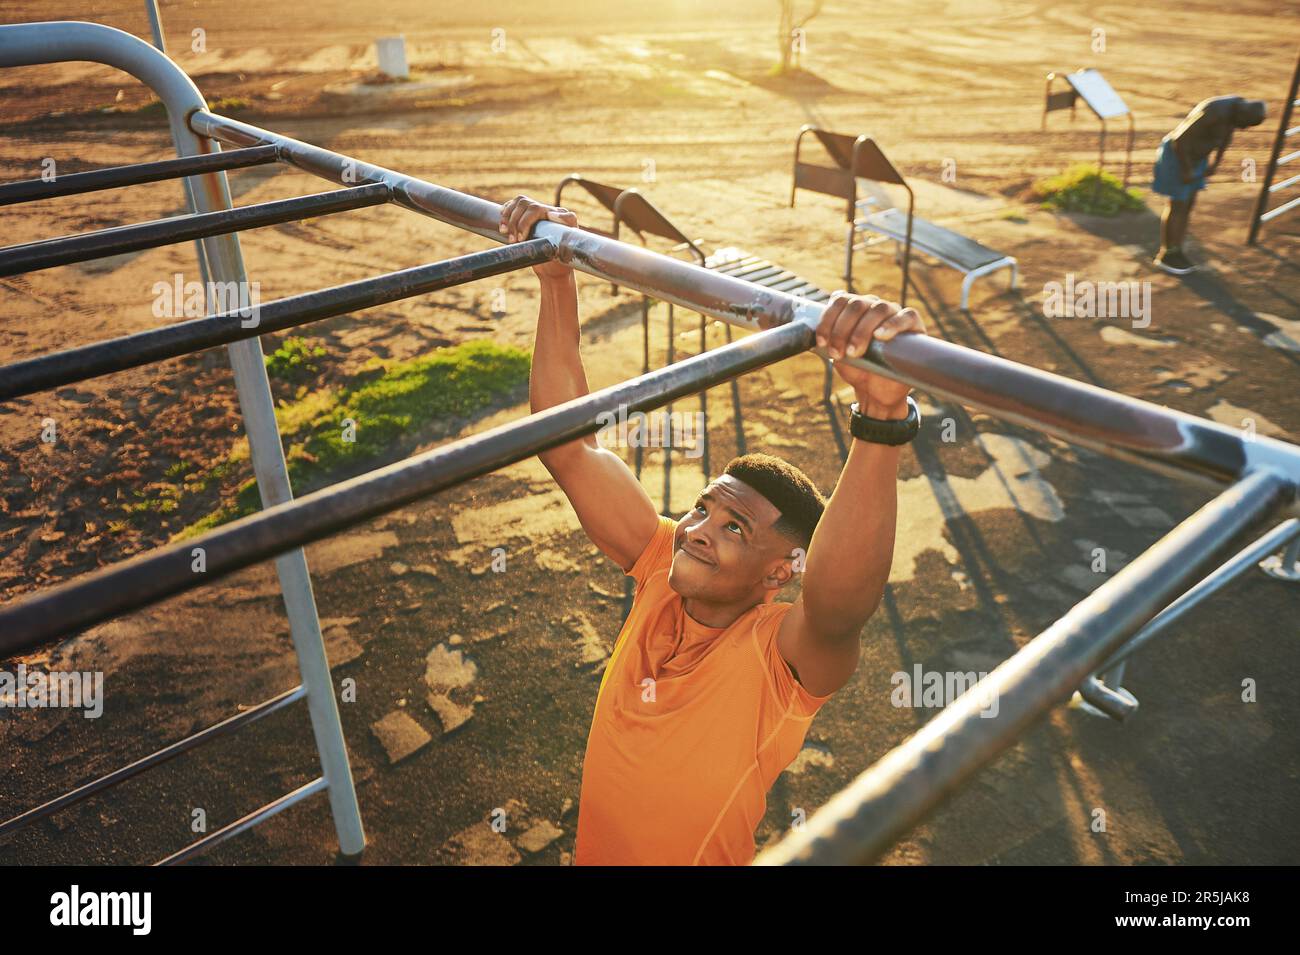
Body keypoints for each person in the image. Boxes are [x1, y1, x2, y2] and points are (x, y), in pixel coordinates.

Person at [500, 195, 928, 865]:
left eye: (735, 527)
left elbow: (841, 604)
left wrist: (879, 419)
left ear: (780, 570)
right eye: (703, 508)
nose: (697, 529)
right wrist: (557, 280)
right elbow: (569, 448)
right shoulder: (659, 572)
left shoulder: (777, 660)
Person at [1152, 95, 1266, 275]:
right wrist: (1187, 170)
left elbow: (1227, 135)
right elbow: (1178, 141)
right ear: (1242, 114)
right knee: (1177, 205)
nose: (1243, 128)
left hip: (1197, 159)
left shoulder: (1236, 109)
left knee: (1188, 205)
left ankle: (1177, 249)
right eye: (1244, 124)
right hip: (1179, 157)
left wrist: (1215, 163)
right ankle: (1166, 255)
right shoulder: (1214, 111)